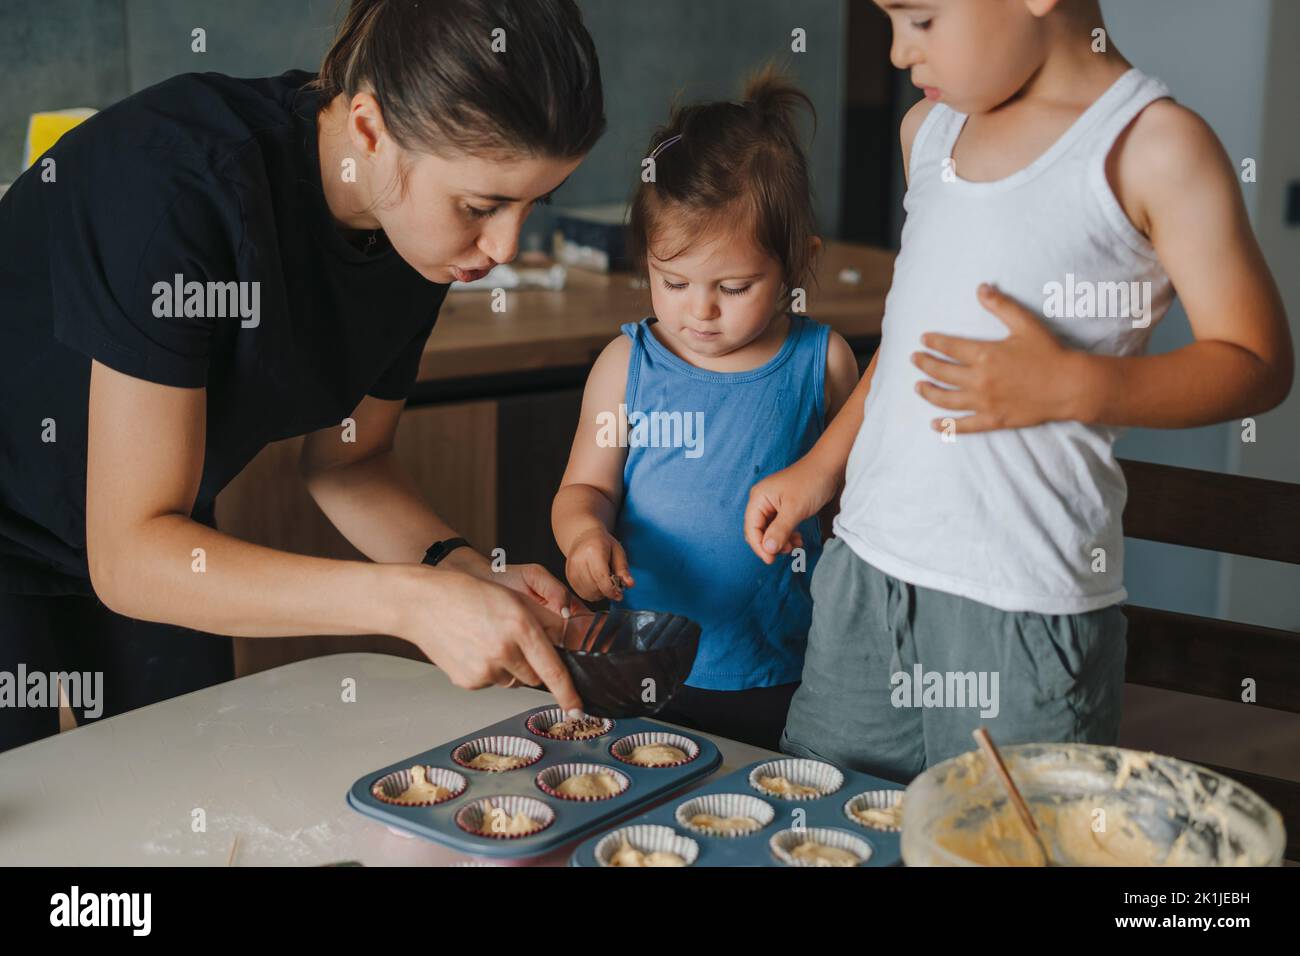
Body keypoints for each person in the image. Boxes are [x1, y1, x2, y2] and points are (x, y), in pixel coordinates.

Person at [0, 0, 607, 753]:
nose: (506, 244)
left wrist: (465, 574)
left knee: (179, 787)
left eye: (530, 203)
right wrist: (411, 604)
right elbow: (129, 560)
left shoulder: (418, 233)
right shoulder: (181, 188)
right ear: (368, 128)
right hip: (82, 526)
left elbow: (350, 461)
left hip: (157, 528)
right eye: (482, 205)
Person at [745, 0, 1292, 779]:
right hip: (868, 579)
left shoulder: (1153, 146)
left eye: (921, 20)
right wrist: (821, 467)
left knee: (1007, 841)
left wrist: (1076, 385)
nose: (901, 53)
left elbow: (1258, 360)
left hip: (1022, 605)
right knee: (830, 821)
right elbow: (911, 346)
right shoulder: (927, 135)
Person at [552, 68, 860, 751]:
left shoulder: (825, 364)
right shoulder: (626, 366)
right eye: (673, 280)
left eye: (735, 285)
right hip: (649, 669)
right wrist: (582, 539)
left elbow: (851, 513)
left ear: (796, 264)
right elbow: (585, 488)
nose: (701, 309)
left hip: (786, 668)